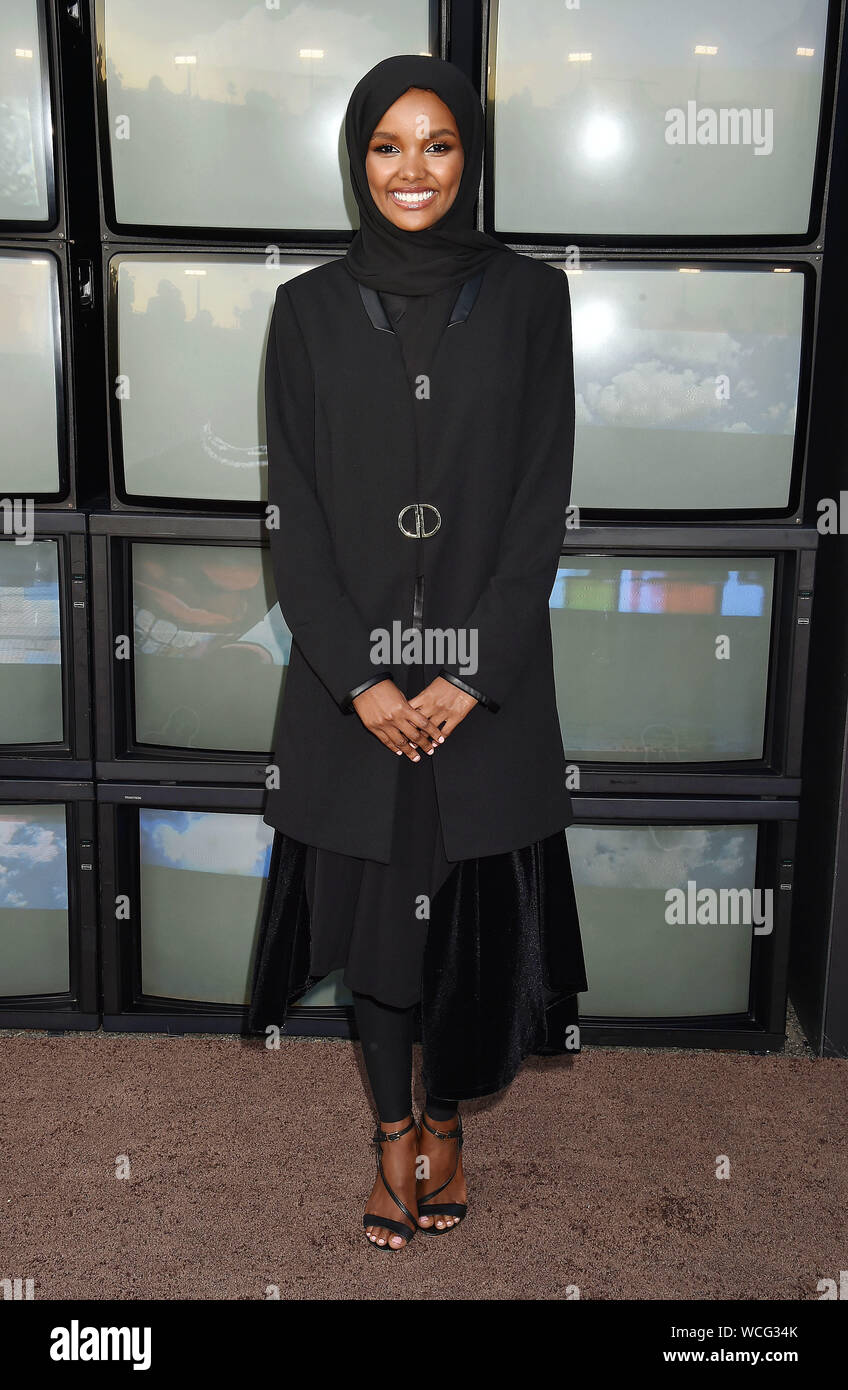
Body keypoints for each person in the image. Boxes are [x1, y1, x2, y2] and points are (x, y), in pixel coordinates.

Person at [248, 54, 587, 1251]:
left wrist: (465, 675)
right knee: (382, 943)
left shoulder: (530, 299)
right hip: (356, 699)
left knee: (467, 931)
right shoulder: (302, 311)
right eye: (387, 144)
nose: (411, 169)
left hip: (483, 694)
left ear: (468, 157)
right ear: (356, 158)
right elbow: (289, 512)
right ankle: (392, 1139)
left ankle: (449, 1119)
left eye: (437, 143)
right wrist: (363, 682)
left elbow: (537, 505)